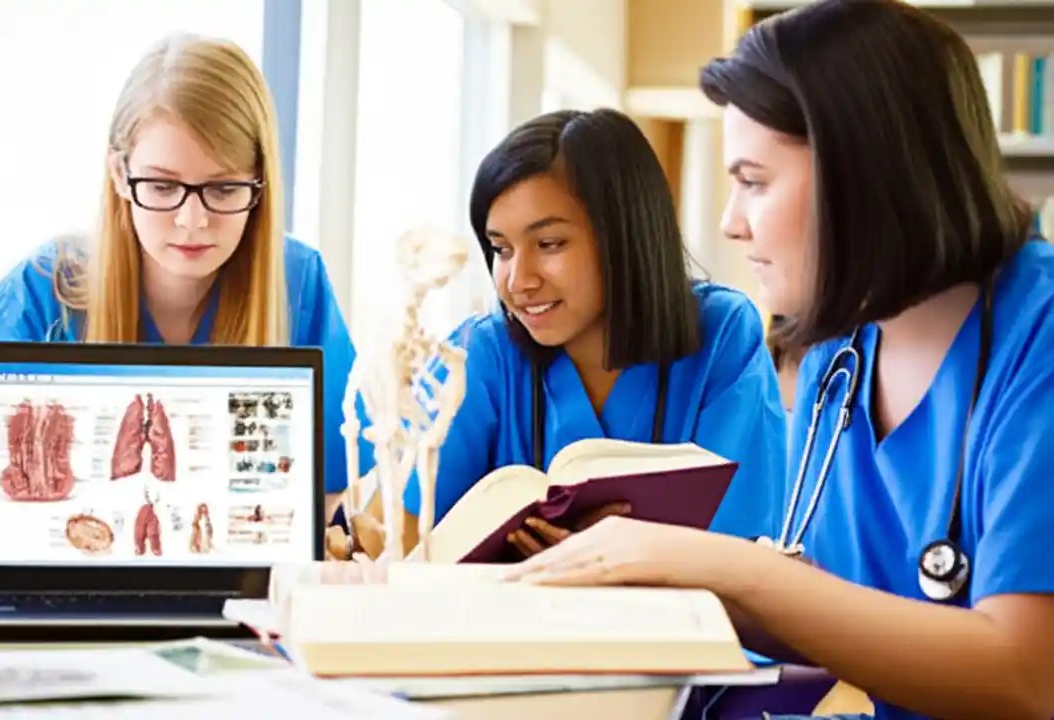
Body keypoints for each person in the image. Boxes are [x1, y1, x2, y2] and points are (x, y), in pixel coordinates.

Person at [505, 2, 1054, 719]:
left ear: (865, 172)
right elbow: (836, 618)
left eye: (754, 181)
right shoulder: (838, 354)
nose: (731, 220)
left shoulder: (1035, 344)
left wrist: (725, 564)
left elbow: (1024, 674)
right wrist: (655, 581)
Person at [0, 33, 361, 560]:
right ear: (119, 175)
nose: (193, 221)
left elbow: (336, 496)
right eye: (163, 187)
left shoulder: (298, 284)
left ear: (260, 183)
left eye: (223, 189)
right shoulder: (40, 291)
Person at [327, 107, 787, 560]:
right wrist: (352, 546)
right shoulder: (479, 354)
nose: (517, 280)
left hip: (678, 631)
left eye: (549, 245)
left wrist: (620, 557)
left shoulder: (723, 336)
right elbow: (398, 543)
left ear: (623, 236)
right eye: (501, 249)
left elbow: (740, 554)